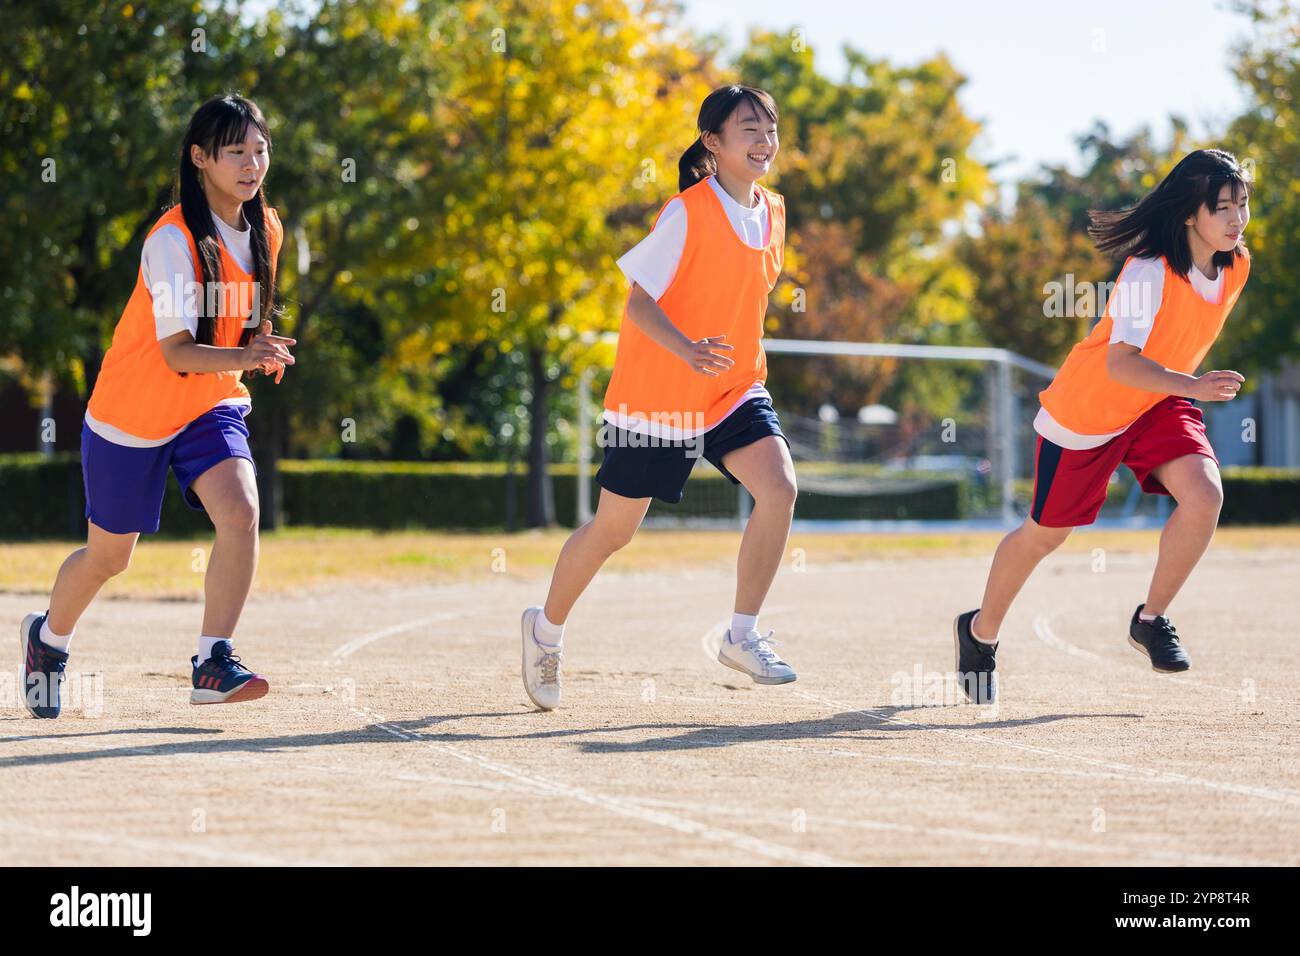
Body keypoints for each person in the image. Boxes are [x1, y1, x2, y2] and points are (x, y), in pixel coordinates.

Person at [520, 85, 797, 710]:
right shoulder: (686, 213)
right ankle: (545, 630)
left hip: (733, 388)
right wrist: (688, 348)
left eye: (771, 128)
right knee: (615, 531)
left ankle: (743, 634)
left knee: (779, 488)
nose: (764, 140)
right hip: (659, 396)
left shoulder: (774, 211)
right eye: (748, 129)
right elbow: (638, 305)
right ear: (713, 142)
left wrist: (720, 356)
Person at [20, 94, 295, 718]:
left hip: (208, 403)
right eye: (236, 152)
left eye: (261, 149)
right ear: (200, 158)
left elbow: (235, 326)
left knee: (241, 509)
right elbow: (176, 352)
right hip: (133, 415)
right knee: (109, 557)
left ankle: (213, 660)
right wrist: (244, 358)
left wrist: (256, 346)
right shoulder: (171, 242)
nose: (253, 164)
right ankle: (47, 640)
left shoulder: (266, 229)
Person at [954, 149, 1252, 703]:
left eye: (1243, 204)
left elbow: (1178, 340)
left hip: (1159, 401)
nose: (1237, 218)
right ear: (1191, 212)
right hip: (1089, 411)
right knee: (1046, 534)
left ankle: (1151, 619)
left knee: (1205, 495)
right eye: (1223, 207)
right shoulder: (1147, 271)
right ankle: (979, 632)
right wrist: (1194, 386)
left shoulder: (1236, 264)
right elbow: (1119, 363)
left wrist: (1183, 388)